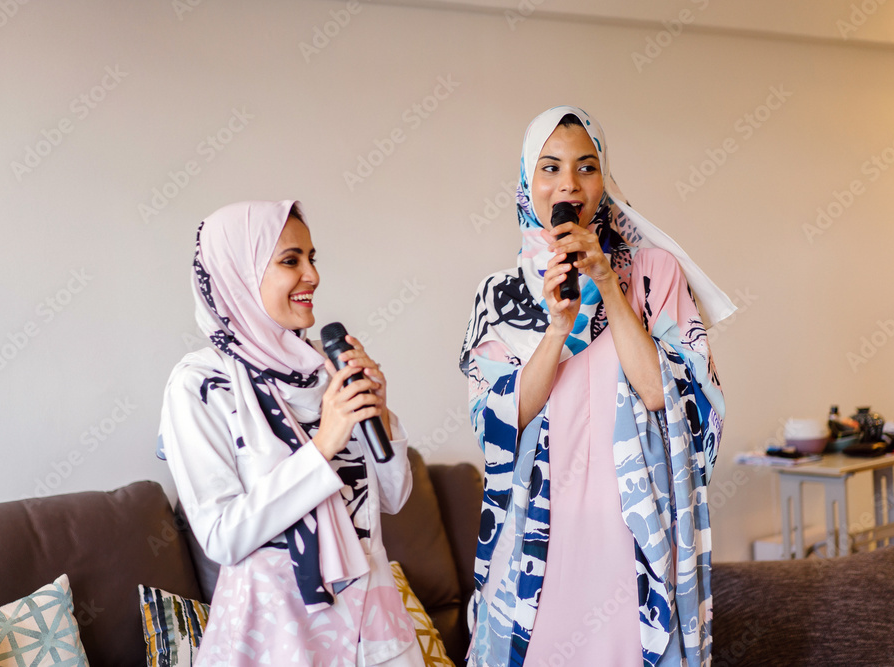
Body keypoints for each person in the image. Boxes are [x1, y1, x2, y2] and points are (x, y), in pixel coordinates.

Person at [459, 107, 736, 667]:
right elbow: (499, 423)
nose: (569, 184)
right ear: (526, 182)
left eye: (586, 167)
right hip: (538, 537)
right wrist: (557, 327)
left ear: (603, 180)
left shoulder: (653, 273)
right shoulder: (499, 296)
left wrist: (608, 283)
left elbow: (670, 397)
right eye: (550, 167)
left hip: (634, 532)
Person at [158, 200, 423, 666]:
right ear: (238, 275)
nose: (312, 275)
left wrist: (379, 412)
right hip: (277, 637)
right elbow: (222, 535)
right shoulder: (201, 384)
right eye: (289, 261)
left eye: (311, 258)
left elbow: (393, 497)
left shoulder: (329, 364)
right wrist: (323, 447)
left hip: (373, 631)